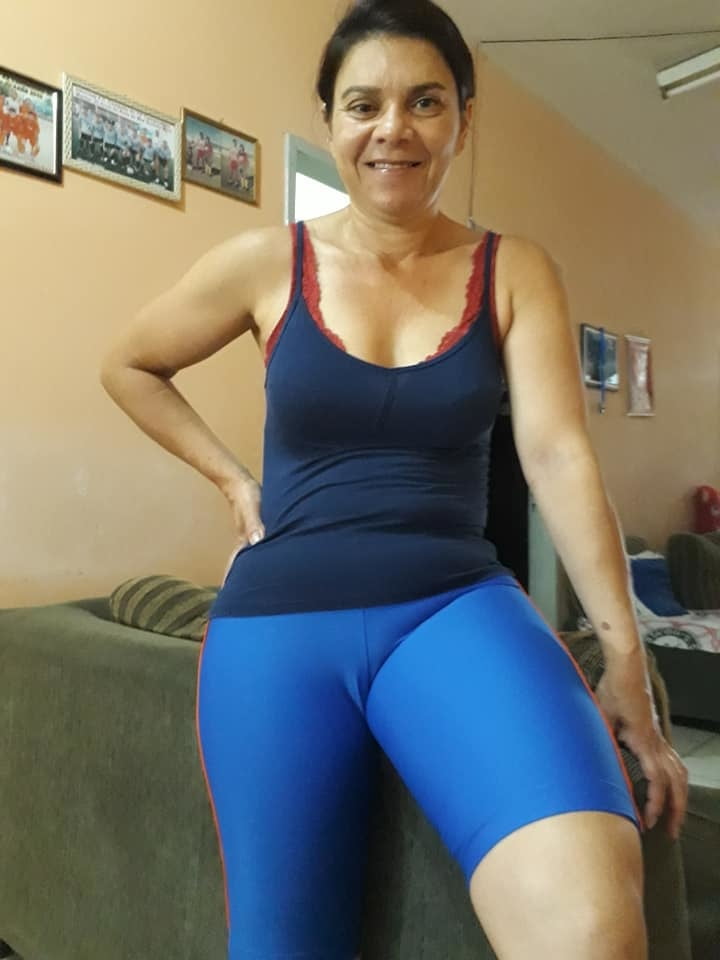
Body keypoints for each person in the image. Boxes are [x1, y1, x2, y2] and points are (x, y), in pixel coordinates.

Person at [99, 1, 688, 957]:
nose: (393, 130)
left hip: (454, 603)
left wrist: (627, 664)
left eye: (425, 101)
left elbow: (556, 456)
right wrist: (234, 482)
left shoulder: (514, 270)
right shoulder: (266, 263)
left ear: (464, 117)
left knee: (593, 930)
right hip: (279, 625)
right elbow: (129, 364)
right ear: (330, 119)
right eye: (363, 104)